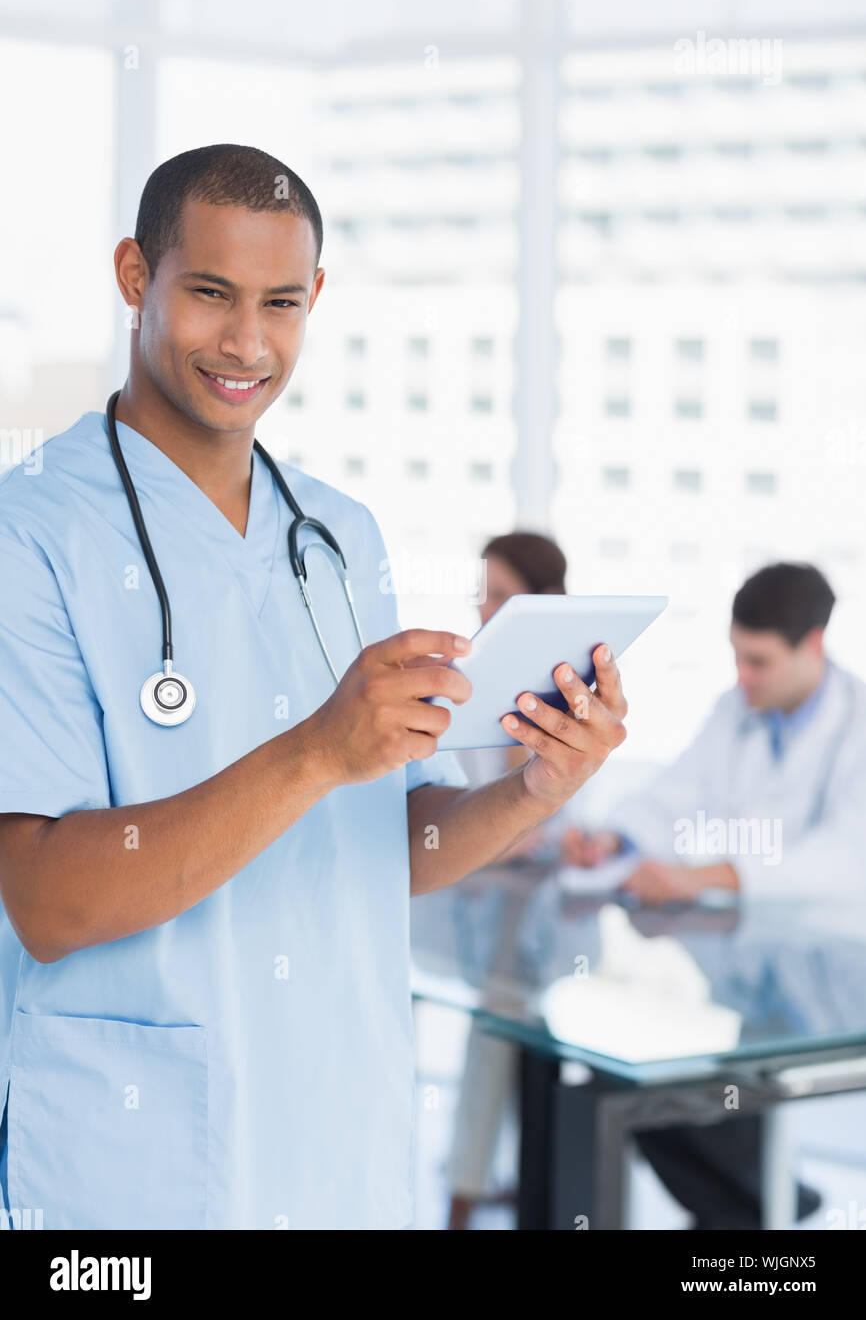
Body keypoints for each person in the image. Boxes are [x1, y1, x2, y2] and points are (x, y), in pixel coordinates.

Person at [0, 144, 628, 1231]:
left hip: (340, 1148)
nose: (247, 342)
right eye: (209, 293)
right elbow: (48, 901)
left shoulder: (338, 537)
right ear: (134, 278)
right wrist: (314, 752)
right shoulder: (32, 534)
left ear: (315, 299)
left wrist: (533, 788)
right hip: (137, 1177)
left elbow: (392, 848)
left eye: (280, 302)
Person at [569, 561, 866, 1228]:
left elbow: (847, 860)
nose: (743, 678)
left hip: (841, 988)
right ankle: (757, 1215)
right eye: (737, 657)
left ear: (812, 645)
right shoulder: (735, 711)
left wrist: (704, 878)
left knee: (676, 1106)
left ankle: (754, 1215)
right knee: (634, 1091)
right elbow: (678, 797)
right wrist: (616, 840)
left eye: (759, 661)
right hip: (747, 976)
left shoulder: (858, 724)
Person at [446, 531, 585, 1229]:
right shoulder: (465, 687)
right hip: (467, 914)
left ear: (545, 604)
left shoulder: (576, 697)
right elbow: (446, 810)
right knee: (496, 1024)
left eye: (500, 595)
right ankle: (468, 1191)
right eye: (483, 592)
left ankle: (482, 1192)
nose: (482, 608)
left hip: (540, 926)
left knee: (516, 1039)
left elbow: (567, 819)